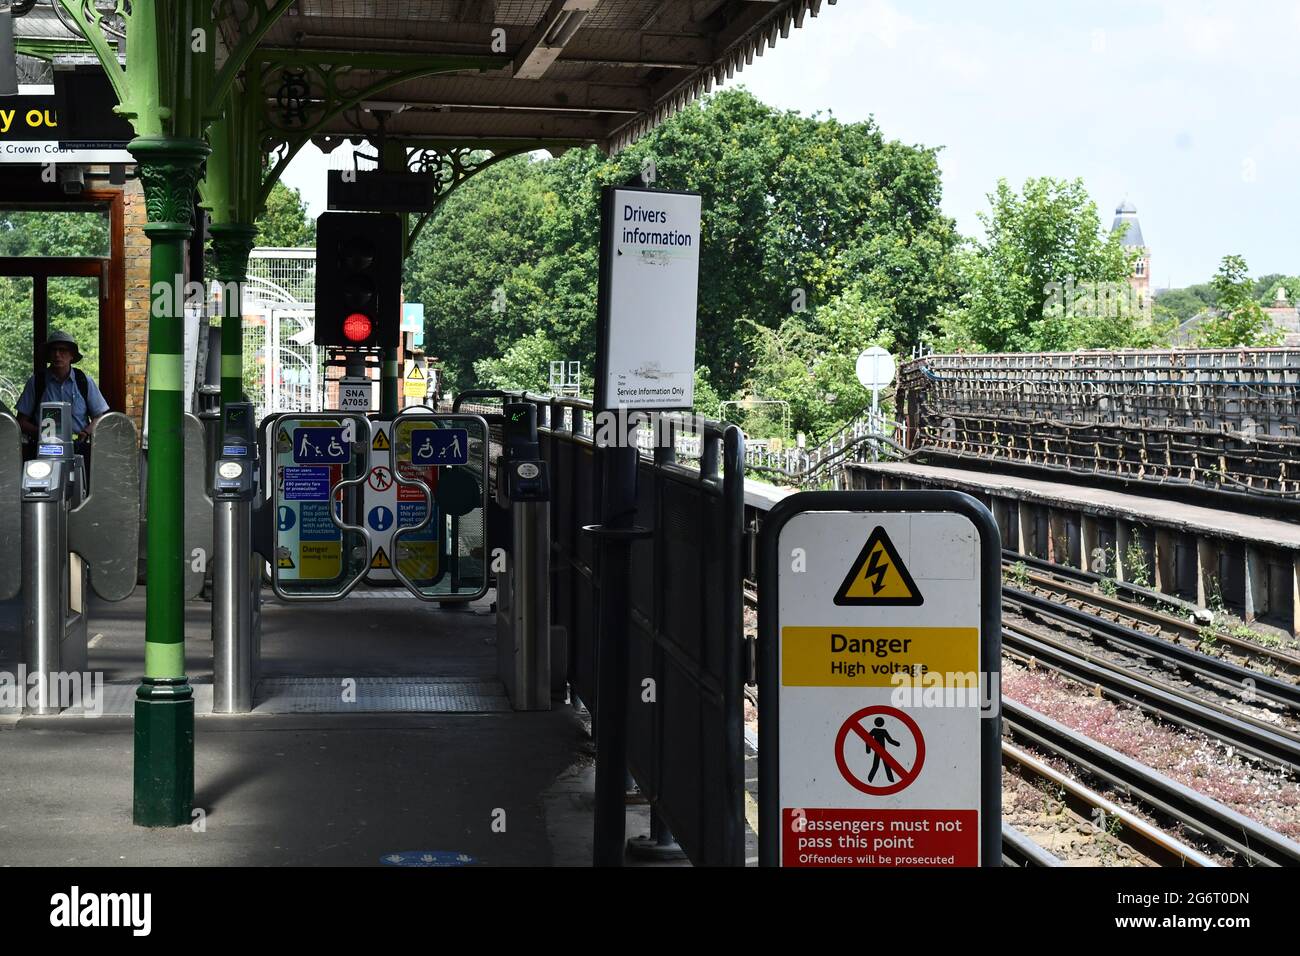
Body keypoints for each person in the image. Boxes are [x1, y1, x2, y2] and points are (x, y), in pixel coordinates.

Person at [16, 330, 109, 458]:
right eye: (53, 350)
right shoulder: (37, 382)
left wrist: (86, 432)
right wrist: (42, 432)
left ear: (72, 355)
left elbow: (99, 417)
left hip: (79, 448)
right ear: (48, 355)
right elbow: (20, 421)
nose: (57, 354)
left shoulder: (84, 382)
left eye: (63, 350)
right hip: (44, 449)